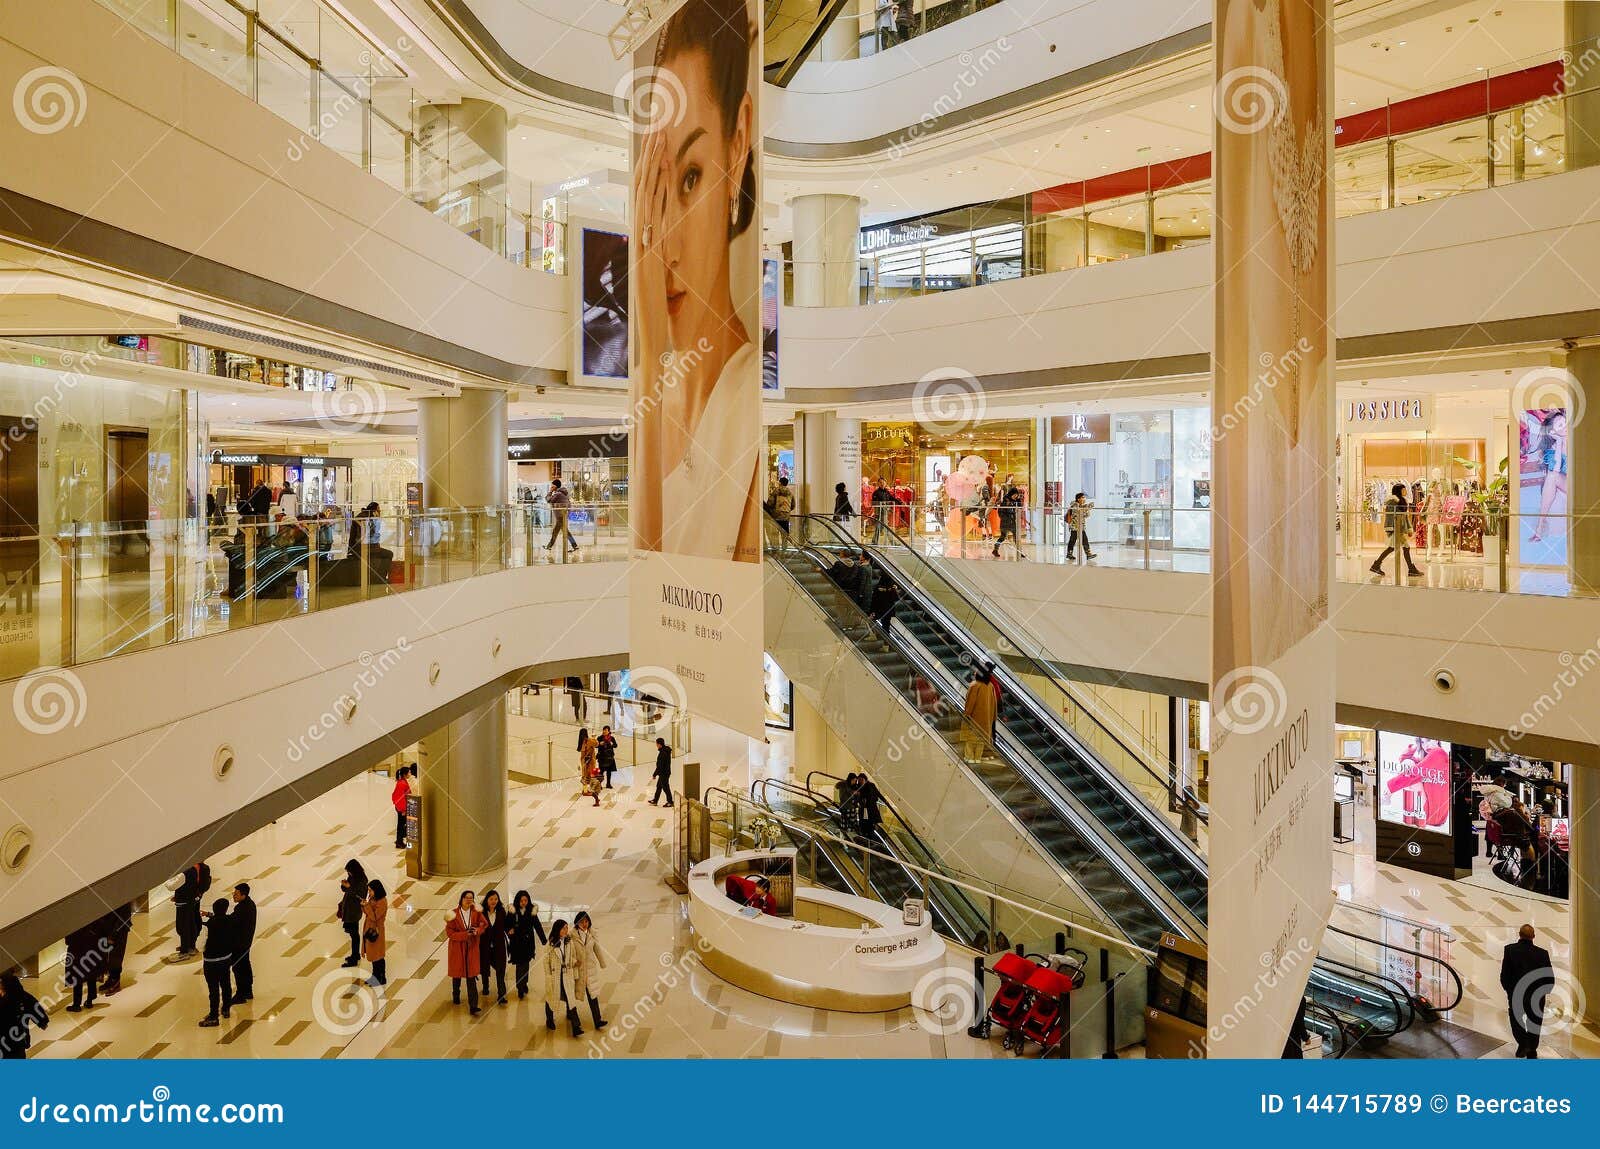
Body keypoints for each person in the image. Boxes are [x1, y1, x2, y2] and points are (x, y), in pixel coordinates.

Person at [630, 0, 761, 566]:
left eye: (690, 178)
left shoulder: (750, 402)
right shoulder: (651, 391)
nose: (667, 248)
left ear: (739, 141)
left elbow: (656, 565)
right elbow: (646, 584)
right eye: (654, 197)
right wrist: (651, 349)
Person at [1500, 924, 1554, 1058]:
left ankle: (1523, 1044)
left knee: (1516, 1021)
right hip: (1536, 996)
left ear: (1519, 934)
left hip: (1516, 994)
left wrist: (1510, 991)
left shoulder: (1510, 950)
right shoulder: (1542, 953)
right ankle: (1532, 1050)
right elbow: (1549, 978)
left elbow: (1504, 975)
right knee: (1534, 1023)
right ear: (1533, 936)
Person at [445, 890, 487, 1015]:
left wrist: (476, 931)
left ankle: (473, 1005)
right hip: (458, 948)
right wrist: (465, 934)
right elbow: (450, 933)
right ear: (461, 899)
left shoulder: (476, 912)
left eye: (471, 898)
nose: (469, 900)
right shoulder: (453, 914)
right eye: (466, 897)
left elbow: (484, 925)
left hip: (472, 948)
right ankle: (456, 994)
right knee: (457, 974)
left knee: (471, 976)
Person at [1370, 482, 1424, 578]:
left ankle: (1377, 565)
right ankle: (1410, 569)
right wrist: (1391, 528)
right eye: (1403, 490)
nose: (1406, 491)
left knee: (1399, 547)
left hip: (1400, 529)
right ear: (1399, 491)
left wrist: (1408, 529)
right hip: (1395, 528)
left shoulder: (1402, 500)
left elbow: (1405, 516)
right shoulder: (1392, 501)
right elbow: (1390, 516)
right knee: (1397, 547)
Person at [571, 911, 609, 1032]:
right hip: (577, 969)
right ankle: (571, 1015)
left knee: (592, 994)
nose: (584, 924)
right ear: (577, 922)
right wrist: (573, 961)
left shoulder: (592, 933)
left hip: (590, 969)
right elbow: (569, 952)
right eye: (582, 921)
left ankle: (597, 1020)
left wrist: (602, 963)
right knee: (572, 994)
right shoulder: (572, 935)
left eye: (586, 921)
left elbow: (596, 948)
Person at [544, 919, 583, 1036]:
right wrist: (548, 976)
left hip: (566, 974)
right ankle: (549, 1019)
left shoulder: (568, 942)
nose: (566, 930)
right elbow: (546, 962)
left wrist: (574, 962)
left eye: (567, 927)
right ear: (557, 930)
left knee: (570, 997)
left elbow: (571, 957)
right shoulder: (550, 944)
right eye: (563, 928)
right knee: (551, 998)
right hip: (555, 975)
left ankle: (576, 1026)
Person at [198, 898, 233, 1027]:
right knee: (226, 984)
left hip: (211, 961)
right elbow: (222, 918)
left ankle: (213, 1016)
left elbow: (202, 944)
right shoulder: (229, 920)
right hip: (225, 959)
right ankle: (226, 1009)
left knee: (213, 989)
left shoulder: (211, 924)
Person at [507, 890, 547, 1001]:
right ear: (517, 901)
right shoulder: (512, 911)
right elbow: (507, 924)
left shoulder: (532, 911)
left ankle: (524, 983)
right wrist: (509, 930)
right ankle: (520, 986)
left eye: (525, 900)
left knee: (526, 965)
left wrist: (544, 940)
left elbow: (537, 926)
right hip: (516, 943)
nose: (523, 902)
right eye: (521, 900)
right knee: (520, 965)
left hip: (528, 943)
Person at [0, 973, 47, 1059]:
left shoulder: (6, 1001)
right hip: (19, 1039)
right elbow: (35, 1008)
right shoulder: (24, 997)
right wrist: (42, 1022)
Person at [63, 918, 103, 1013]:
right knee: (90, 975)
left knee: (77, 977)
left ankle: (77, 1004)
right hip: (90, 948)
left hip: (76, 950)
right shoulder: (90, 918)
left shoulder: (72, 923)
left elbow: (68, 940)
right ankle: (89, 1000)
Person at [172, 859, 210, 956]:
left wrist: (197, 895)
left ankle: (188, 947)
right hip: (193, 898)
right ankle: (189, 945)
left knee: (185, 923)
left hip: (189, 899)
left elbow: (179, 885)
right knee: (191, 921)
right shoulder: (199, 868)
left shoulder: (191, 870)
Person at [478, 890, 510, 1005]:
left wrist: (509, 930)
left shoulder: (501, 911)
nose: (493, 901)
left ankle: (501, 995)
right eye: (491, 899)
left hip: (499, 947)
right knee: (485, 968)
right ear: (487, 900)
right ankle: (485, 987)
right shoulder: (481, 912)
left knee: (501, 969)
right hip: (485, 946)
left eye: (495, 899)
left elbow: (505, 925)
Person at [962, 667, 999, 760]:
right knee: (981, 740)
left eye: (976, 672)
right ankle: (977, 759)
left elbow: (970, 702)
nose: (974, 673)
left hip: (974, 718)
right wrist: (993, 716)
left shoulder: (974, 685)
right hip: (986, 719)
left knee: (970, 740)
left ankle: (969, 758)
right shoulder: (990, 686)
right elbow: (994, 703)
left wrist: (966, 714)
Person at [229, 883, 257, 1004]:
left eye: (236, 894)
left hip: (239, 944)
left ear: (243, 895)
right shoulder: (250, 904)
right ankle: (248, 990)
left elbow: (231, 921)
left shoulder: (241, 908)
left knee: (238, 968)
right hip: (246, 942)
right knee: (245, 965)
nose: (233, 896)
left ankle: (240, 994)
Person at [99, 902, 133, 995]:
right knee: (109, 956)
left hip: (119, 930)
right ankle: (111, 979)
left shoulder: (124, 898)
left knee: (116, 956)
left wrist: (113, 935)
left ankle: (115, 982)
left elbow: (123, 918)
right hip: (110, 928)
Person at [359, 879, 387, 988]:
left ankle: (381, 977)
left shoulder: (382, 902)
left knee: (378, 956)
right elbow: (368, 912)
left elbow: (374, 917)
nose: (369, 893)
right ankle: (375, 976)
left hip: (376, 931)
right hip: (370, 928)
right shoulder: (373, 898)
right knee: (373, 954)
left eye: (371, 890)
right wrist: (364, 905)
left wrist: (366, 906)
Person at [337, 872, 364, 969]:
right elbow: (346, 890)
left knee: (354, 935)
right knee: (353, 935)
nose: (349, 873)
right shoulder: (352, 877)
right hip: (350, 911)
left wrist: (349, 887)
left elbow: (359, 896)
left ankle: (355, 956)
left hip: (354, 912)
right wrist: (344, 885)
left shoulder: (361, 881)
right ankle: (355, 954)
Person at [995, 475, 1025, 559]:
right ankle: (995, 549)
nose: (1016, 496)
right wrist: (1006, 519)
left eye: (1016, 495)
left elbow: (1020, 507)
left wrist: (1018, 500)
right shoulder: (1005, 501)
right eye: (1015, 495)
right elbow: (1000, 512)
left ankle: (1020, 552)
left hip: (1012, 522)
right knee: (1002, 537)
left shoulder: (1013, 501)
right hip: (1005, 523)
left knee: (1016, 538)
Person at [546, 478, 579, 555]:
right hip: (562, 515)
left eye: (552, 486)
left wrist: (550, 492)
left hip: (561, 515)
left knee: (565, 532)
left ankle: (575, 545)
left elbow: (549, 500)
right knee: (557, 531)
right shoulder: (563, 493)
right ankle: (549, 546)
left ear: (555, 486)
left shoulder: (558, 494)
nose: (551, 487)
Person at [1065, 492, 1095, 561]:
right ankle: (1070, 554)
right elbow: (1078, 514)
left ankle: (1088, 554)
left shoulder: (1082, 506)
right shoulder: (1074, 505)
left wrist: (1087, 508)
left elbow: (1086, 516)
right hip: (1075, 526)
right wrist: (1087, 508)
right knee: (1073, 540)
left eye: (1084, 497)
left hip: (1081, 526)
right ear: (1078, 499)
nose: (1084, 499)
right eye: (1083, 497)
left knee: (1083, 540)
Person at [391, 764, 412, 849]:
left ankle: (399, 840)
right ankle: (399, 841)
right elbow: (399, 797)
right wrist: (403, 809)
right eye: (409, 772)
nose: (410, 774)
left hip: (401, 807)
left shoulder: (402, 782)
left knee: (401, 824)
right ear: (404, 774)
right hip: (401, 808)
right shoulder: (402, 783)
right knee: (401, 825)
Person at [579, 729, 602, 806]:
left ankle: (587, 791)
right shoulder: (586, 741)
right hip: (587, 763)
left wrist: (593, 738)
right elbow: (596, 744)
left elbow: (596, 744)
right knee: (587, 777)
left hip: (587, 762)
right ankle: (586, 791)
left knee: (587, 777)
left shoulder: (586, 741)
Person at [650, 737, 674, 807]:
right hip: (665, 772)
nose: (656, 745)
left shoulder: (663, 753)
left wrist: (654, 774)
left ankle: (670, 802)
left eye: (657, 744)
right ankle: (655, 800)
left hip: (664, 773)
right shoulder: (666, 750)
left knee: (665, 788)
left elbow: (660, 766)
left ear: (660, 744)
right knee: (659, 787)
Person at [869, 478, 895, 543]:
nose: (882, 484)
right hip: (879, 513)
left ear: (886, 483)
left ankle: (874, 541)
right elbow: (874, 503)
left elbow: (892, 498)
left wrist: (900, 502)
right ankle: (892, 542)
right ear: (878, 483)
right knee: (885, 528)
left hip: (885, 512)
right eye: (881, 482)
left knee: (880, 527)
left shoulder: (887, 492)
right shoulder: (876, 492)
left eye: (883, 482)